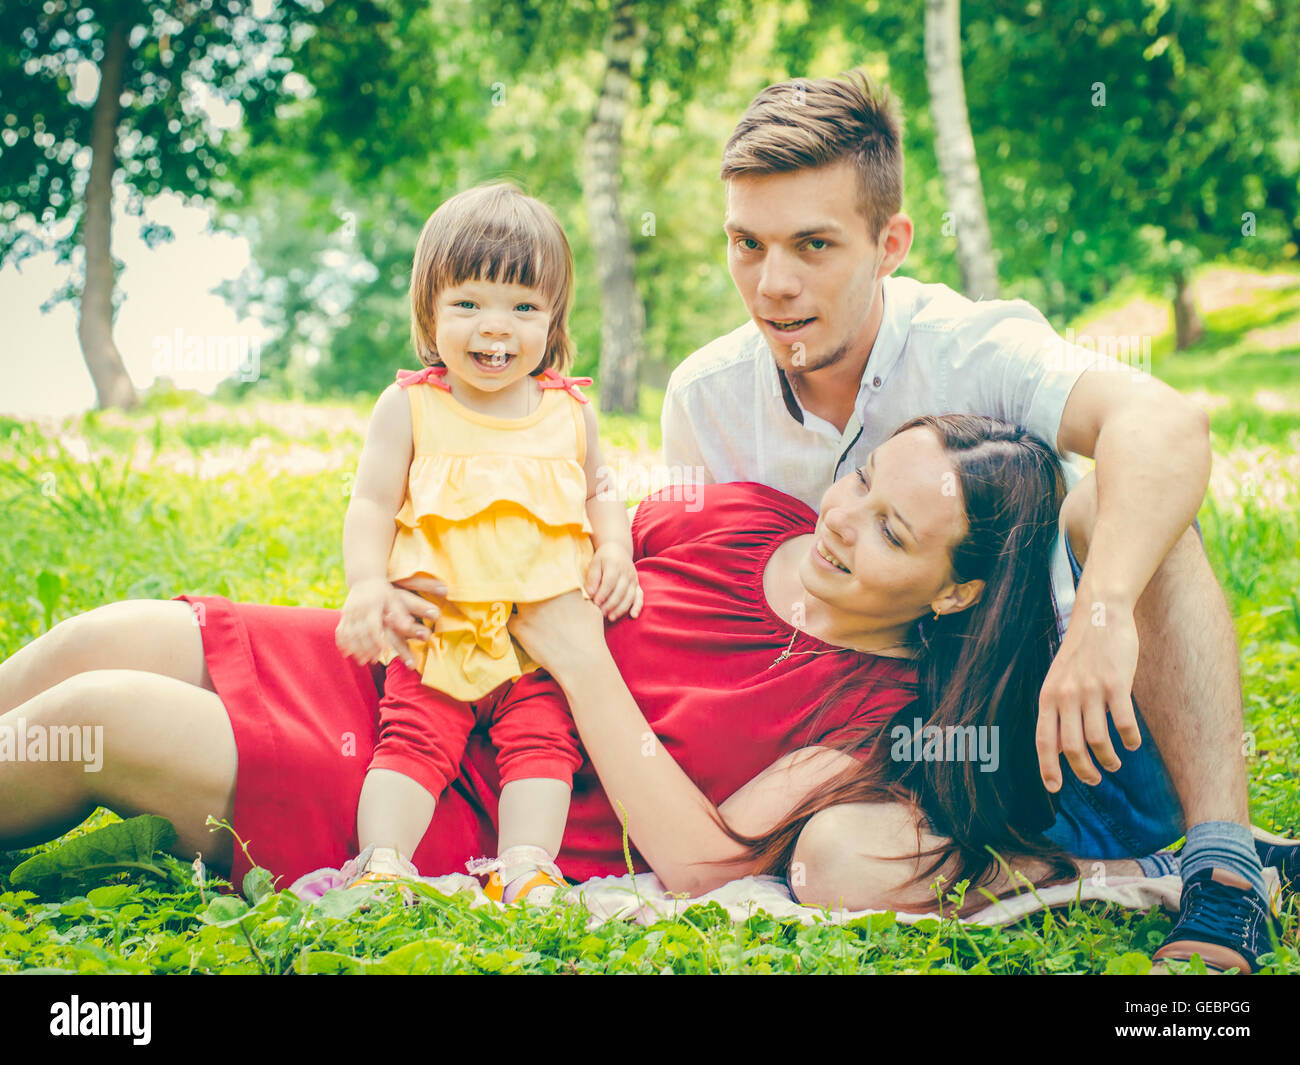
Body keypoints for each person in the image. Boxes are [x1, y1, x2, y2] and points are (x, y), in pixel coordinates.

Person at [1, 416, 1137, 927]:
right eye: (861, 485)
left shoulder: (877, 722)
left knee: (103, 719)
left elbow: (700, 859)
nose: (845, 524)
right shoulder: (747, 518)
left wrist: (584, 662)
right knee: (114, 632)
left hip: (475, 804)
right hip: (425, 680)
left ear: (955, 593)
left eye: (893, 532)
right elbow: (567, 556)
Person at [661, 70, 1295, 971]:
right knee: (832, 860)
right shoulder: (705, 401)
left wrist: (1103, 612)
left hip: (1073, 727)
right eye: (746, 243)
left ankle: (1223, 872)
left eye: (813, 244)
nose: (772, 284)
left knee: (1106, 495)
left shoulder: (974, 346)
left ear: (890, 243)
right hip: (909, 764)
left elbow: (1166, 423)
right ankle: (1090, 870)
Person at [331, 182, 642, 903]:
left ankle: (526, 865)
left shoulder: (570, 412)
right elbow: (372, 502)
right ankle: (381, 862)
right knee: (411, 740)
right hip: (438, 632)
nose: (493, 327)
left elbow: (602, 492)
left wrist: (615, 550)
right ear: (429, 311)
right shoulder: (412, 405)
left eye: (523, 307)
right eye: (467, 303)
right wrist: (367, 584)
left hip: (540, 645)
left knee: (544, 747)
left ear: (554, 318)